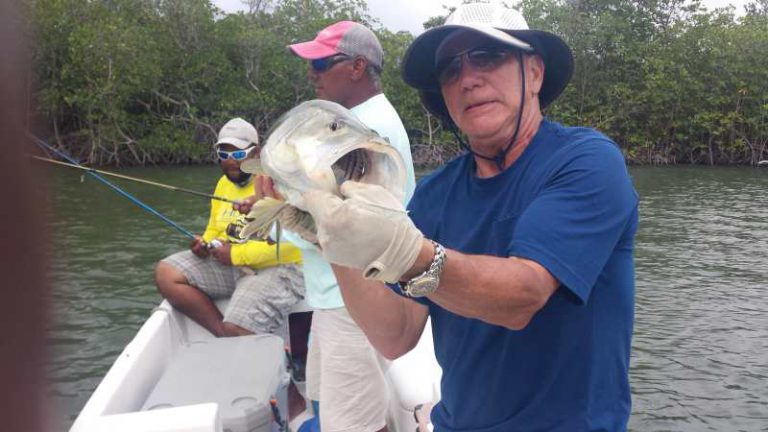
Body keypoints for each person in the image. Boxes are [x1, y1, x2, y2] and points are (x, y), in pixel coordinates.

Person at [296, 3, 639, 432]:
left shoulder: (586, 161)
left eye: (488, 55)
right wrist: (331, 237)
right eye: (450, 69)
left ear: (534, 73)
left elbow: (522, 296)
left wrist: (407, 253)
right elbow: (394, 335)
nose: (468, 78)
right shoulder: (437, 194)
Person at [243, 21, 416, 432]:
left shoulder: (361, 132)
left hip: (352, 301)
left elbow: (364, 231)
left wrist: (291, 214)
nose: (311, 73)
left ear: (357, 67)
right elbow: (333, 202)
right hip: (335, 295)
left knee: (353, 424)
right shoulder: (346, 120)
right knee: (329, 408)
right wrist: (284, 200)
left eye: (321, 62)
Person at [154, 118, 304, 337]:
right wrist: (204, 244)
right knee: (166, 273)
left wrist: (235, 254)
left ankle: (279, 355)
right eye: (224, 155)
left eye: (238, 154)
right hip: (233, 263)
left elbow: (292, 245)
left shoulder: (279, 183)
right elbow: (215, 229)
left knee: (237, 324)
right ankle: (221, 333)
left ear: (257, 153)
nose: (231, 161)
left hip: (280, 267)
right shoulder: (223, 184)